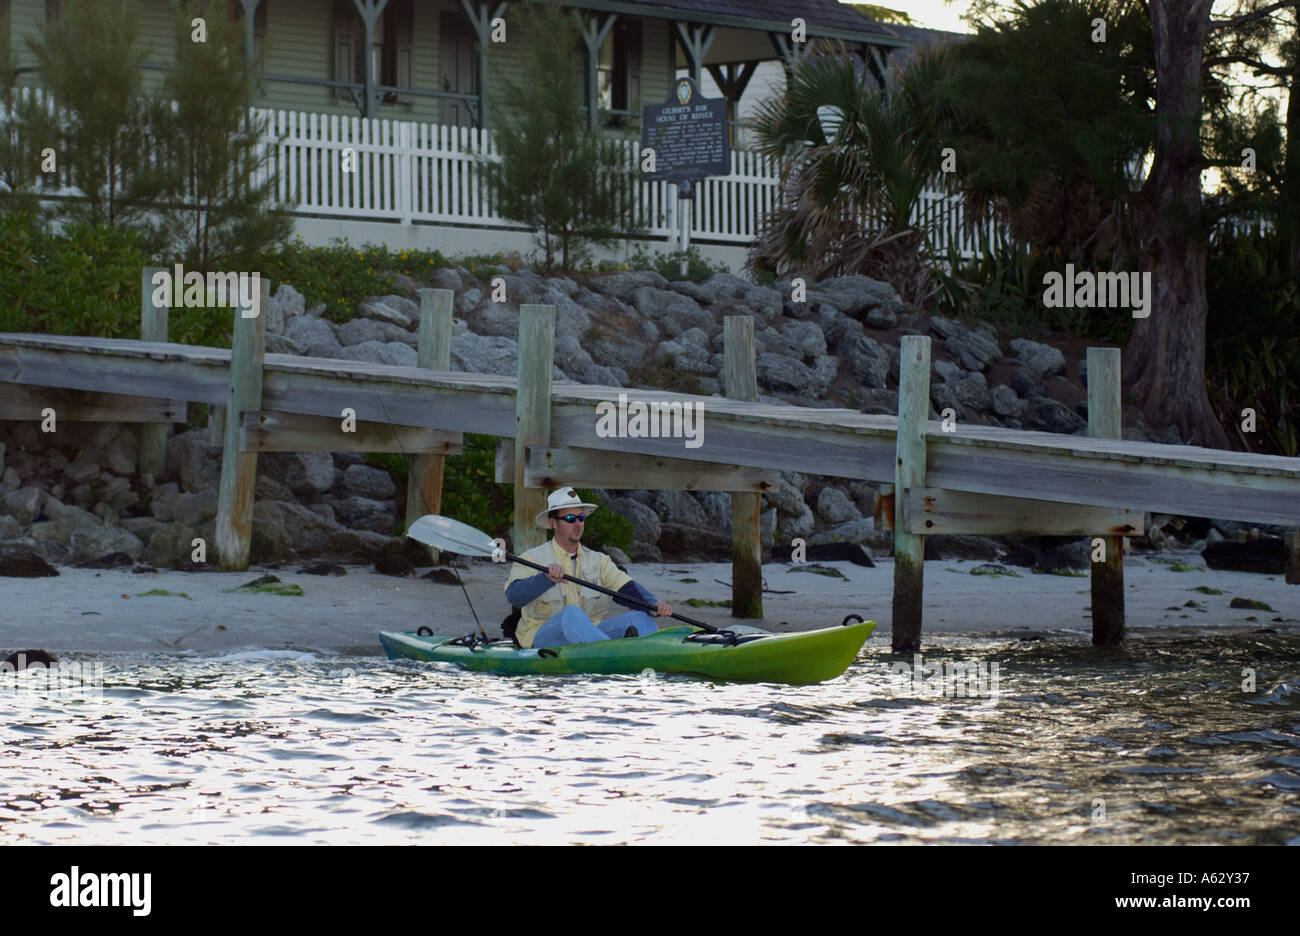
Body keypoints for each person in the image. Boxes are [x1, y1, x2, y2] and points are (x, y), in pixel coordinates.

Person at [505, 488, 672, 649]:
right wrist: (544, 579)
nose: (578, 524)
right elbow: (514, 596)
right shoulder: (531, 558)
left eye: (581, 517)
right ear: (553, 522)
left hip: (589, 636)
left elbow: (626, 588)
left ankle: (652, 657)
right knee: (570, 615)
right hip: (540, 638)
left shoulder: (599, 560)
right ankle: (616, 654)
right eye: (570, 518)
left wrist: (652, 604)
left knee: (641, 619)